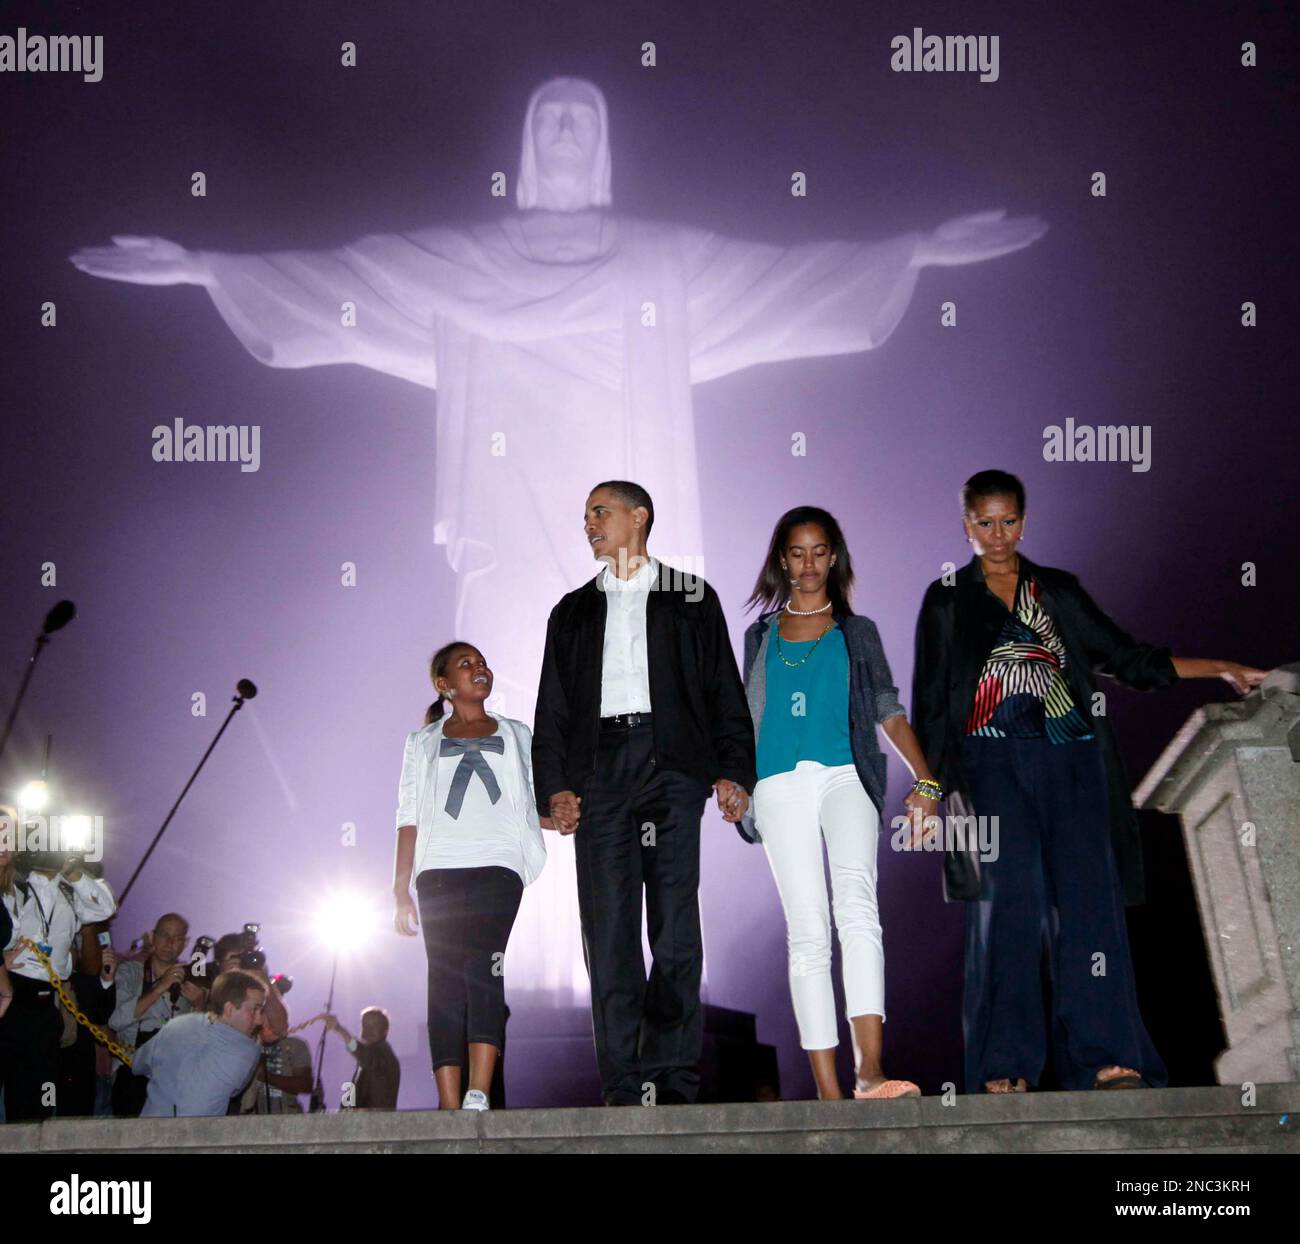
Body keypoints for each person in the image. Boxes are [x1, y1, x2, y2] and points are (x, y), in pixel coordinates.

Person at [70, 75, 1044, 995]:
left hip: (626, 539)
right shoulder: (466, 262)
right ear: (530, 148)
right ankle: (527, 972)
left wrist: (908, 252)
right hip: (513, 519)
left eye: (586, 115)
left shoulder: (658, 257)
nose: (569, 130)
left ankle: (650, 988)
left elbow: (783, 282)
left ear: (606, 145)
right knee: (528, 729)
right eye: (552, 117)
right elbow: (348, 281)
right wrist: (207, 268)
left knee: (647, 735)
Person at [912, 469, 1269, 1094]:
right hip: (990, 766)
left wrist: (1219, 666)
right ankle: (1007, 1064)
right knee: (1010, 909)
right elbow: (934, 705)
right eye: (984, 523)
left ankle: (1106, 1058)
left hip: (1071, 760)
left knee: (1089, 908)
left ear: (1026, 520)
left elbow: (1127, 658)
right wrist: (928, 787)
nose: (998, 536)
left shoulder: (1058, 591)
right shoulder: (946, 599)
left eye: (1010, 521)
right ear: (965, 524)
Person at [533, 481, 756, 1105]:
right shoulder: (572, 611)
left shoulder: (690, 596)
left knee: (676, 925)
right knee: (607, 931)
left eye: (600, 512)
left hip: (671, 766)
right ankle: (625, 1082)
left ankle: (675, 1076)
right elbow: (551, 711)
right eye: (584, 517)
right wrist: (554, 788)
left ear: (640, 518)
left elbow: (723, 691)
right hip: (601, 774)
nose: (588, 525)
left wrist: (734, 770)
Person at [742, 507, 938, 1101]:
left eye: (820, 551)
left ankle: (870, 1071)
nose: (808, 563)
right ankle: (828, 1093)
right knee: (807, 931)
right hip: (776, 783)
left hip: (845, 775)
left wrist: (926, 782)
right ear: (782, 558)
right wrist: (731, 780)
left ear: (835, 557)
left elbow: (887, 708)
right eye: (797, 552)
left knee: (858, 910)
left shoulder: (859, 631)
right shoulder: (758, 635)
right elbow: (741, 716)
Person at [393, 642, 547, 1111]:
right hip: (438, 867)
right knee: (443, 978)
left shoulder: (518, 733)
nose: (479, 668)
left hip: (499, 864)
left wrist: (561, 813)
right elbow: (408, 815)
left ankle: (479, 1090)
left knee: (484, 965)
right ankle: (447, 1100)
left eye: (482, 662)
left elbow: (532, 800)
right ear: (444, 685)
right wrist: (400, 888)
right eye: (467, 664)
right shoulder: (422, 742)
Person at [0, 814, 117, 1122]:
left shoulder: (72, 887)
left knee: (37, 1093)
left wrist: (73, 871)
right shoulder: (13, 880)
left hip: (46, 1003)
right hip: (9, 993)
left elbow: (104, 908)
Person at [131, 970, 266, 1117]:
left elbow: (138, 1064)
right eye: (255, 1009)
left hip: (148, 1134)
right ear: (229, 1009)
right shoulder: (247, 1051)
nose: (259, 1020)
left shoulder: (176, 1024)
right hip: (199, 1137)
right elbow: (235, 1091)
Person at [109, 912, 204, 1116]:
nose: (169, 943)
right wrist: (161, 986)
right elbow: (116, 1021)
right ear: (152, 937)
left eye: (177, 938)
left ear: (185, 943)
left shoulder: (192, 979)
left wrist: (199, 1005)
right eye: (164, 936)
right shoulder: (130, 972)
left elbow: (200, 1036)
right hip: (132, 1069)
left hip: (174, 1075)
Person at [55, 923, 118, 1117]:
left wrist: (106, 979)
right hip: (40, 1064)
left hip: (77, 1067)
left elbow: (100, 1016)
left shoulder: (85, 980)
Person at [325, 1007, 401, 1110]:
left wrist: (339, 1029)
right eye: (364, 1025)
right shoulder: (365, 1061)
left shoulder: (384, 1055)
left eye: (373, 1026)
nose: (367, 1030)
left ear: (385, 1031)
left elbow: (363, 1055)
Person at [240, 1015, 313, 1115]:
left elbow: (305, 1085)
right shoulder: (249, 1045)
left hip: (287, 1117)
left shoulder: (295, 1046)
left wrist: (267, 1076)